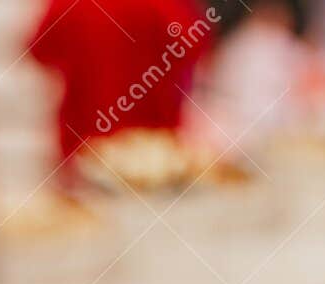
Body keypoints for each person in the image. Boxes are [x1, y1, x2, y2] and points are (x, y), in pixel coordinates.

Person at [28, 0, 212, 167]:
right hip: (151, 149)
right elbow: (195, 45)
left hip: (83, 142)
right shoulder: (163, 5)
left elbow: (40, 50)